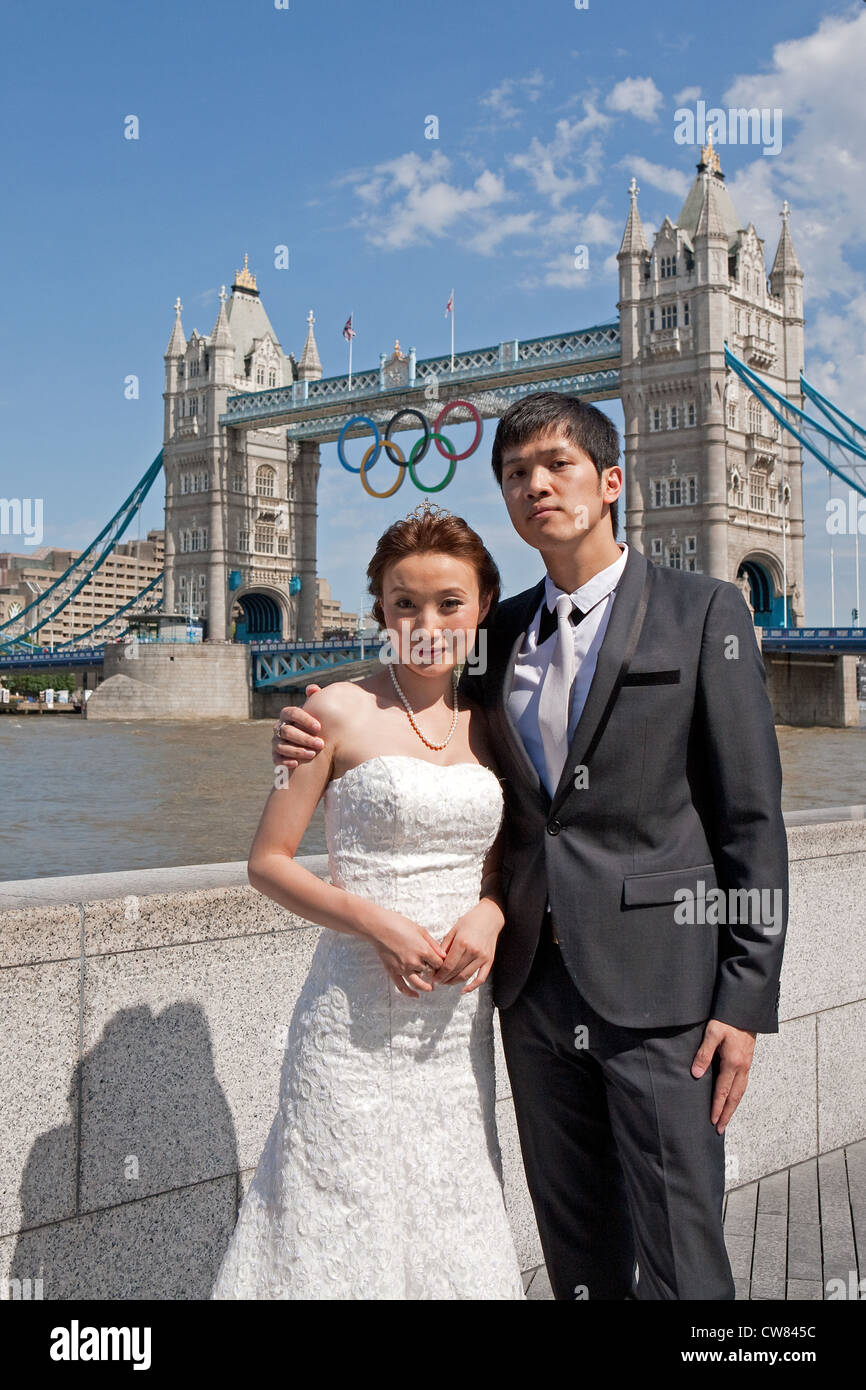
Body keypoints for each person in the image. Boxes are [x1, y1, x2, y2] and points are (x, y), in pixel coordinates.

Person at [273, 390, 789, 1301]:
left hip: (663, 995)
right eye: (515, 473)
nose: (535, 485)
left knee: (683, 1257)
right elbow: (414, 703)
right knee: (576, 1252)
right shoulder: (495, 631)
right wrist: (312, 728)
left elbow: (750, 820)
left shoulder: (707, 613)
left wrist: (744, 1000)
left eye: (557, 465)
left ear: (613, 481)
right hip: (529, 995)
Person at [211, 499, 525, 1300]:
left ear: (483, 607)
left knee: (449, 1209)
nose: (426, 622)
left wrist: (491, 911)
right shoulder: (327, 712)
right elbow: (268, 862)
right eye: (404, 603)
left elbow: (502, 863)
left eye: (449, 603)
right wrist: (372, 919)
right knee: (332, 1208)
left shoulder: (497, 726)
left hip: (455, 1023)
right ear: (380, 609)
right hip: (349, 1015)